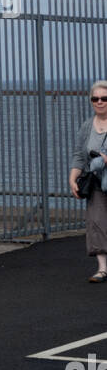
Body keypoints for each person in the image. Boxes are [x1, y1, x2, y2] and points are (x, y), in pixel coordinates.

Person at [70, 81, 107, 281]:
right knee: (97, 223)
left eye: (104, 98)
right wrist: (73, 177)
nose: (99, 102)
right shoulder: (86, 126)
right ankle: (102, 269)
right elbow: (79, 155)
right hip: (96, 183)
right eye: (95, 99)